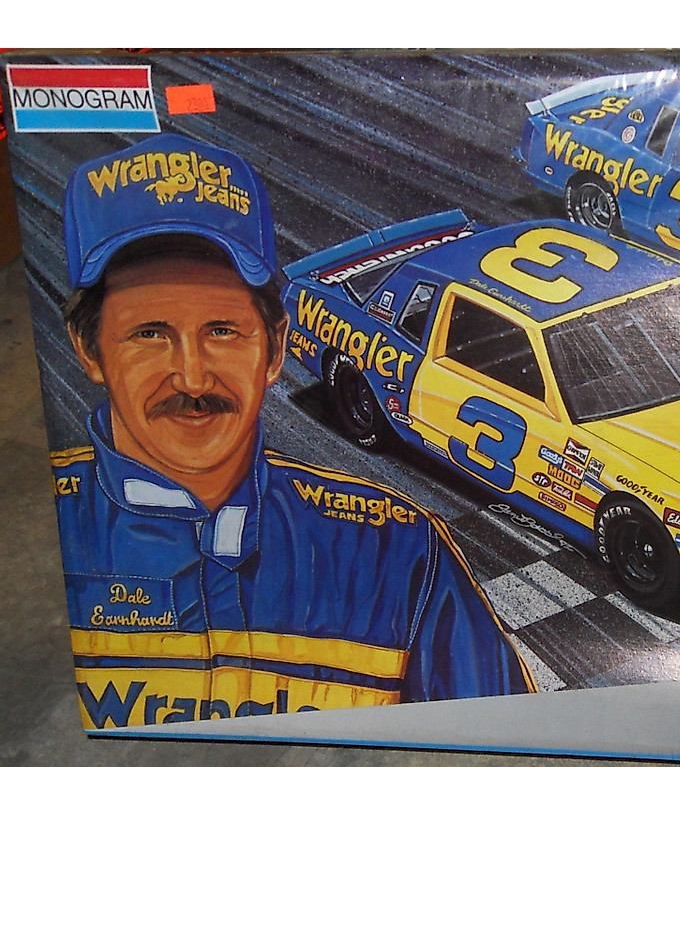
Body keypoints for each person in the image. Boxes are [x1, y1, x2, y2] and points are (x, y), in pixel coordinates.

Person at [52, 133, 533, 730]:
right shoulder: (42, 536)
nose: (193, 376)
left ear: (275, 348)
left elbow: (510, 750)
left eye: (222, 331)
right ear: (88, 349)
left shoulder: (397, 549)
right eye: (150, 334)